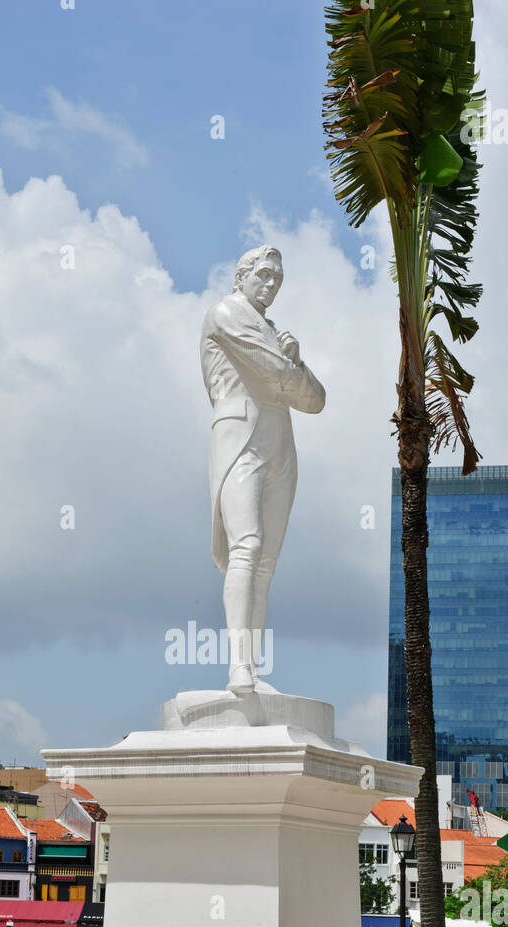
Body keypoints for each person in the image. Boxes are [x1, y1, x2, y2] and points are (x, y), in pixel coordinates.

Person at [200, 246, 325, 693]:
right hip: (241, 440)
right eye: (265, 275)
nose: (271, 284)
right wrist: (290, 363)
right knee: (246, 548)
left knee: (266, 563)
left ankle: (251, 666)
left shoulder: (274, 332)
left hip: (280, 447)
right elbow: (270, 368)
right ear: (242, 276)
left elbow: (315, 401)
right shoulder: (225, 314)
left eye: (278, 279)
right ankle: (237, 666)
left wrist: (297, 364)